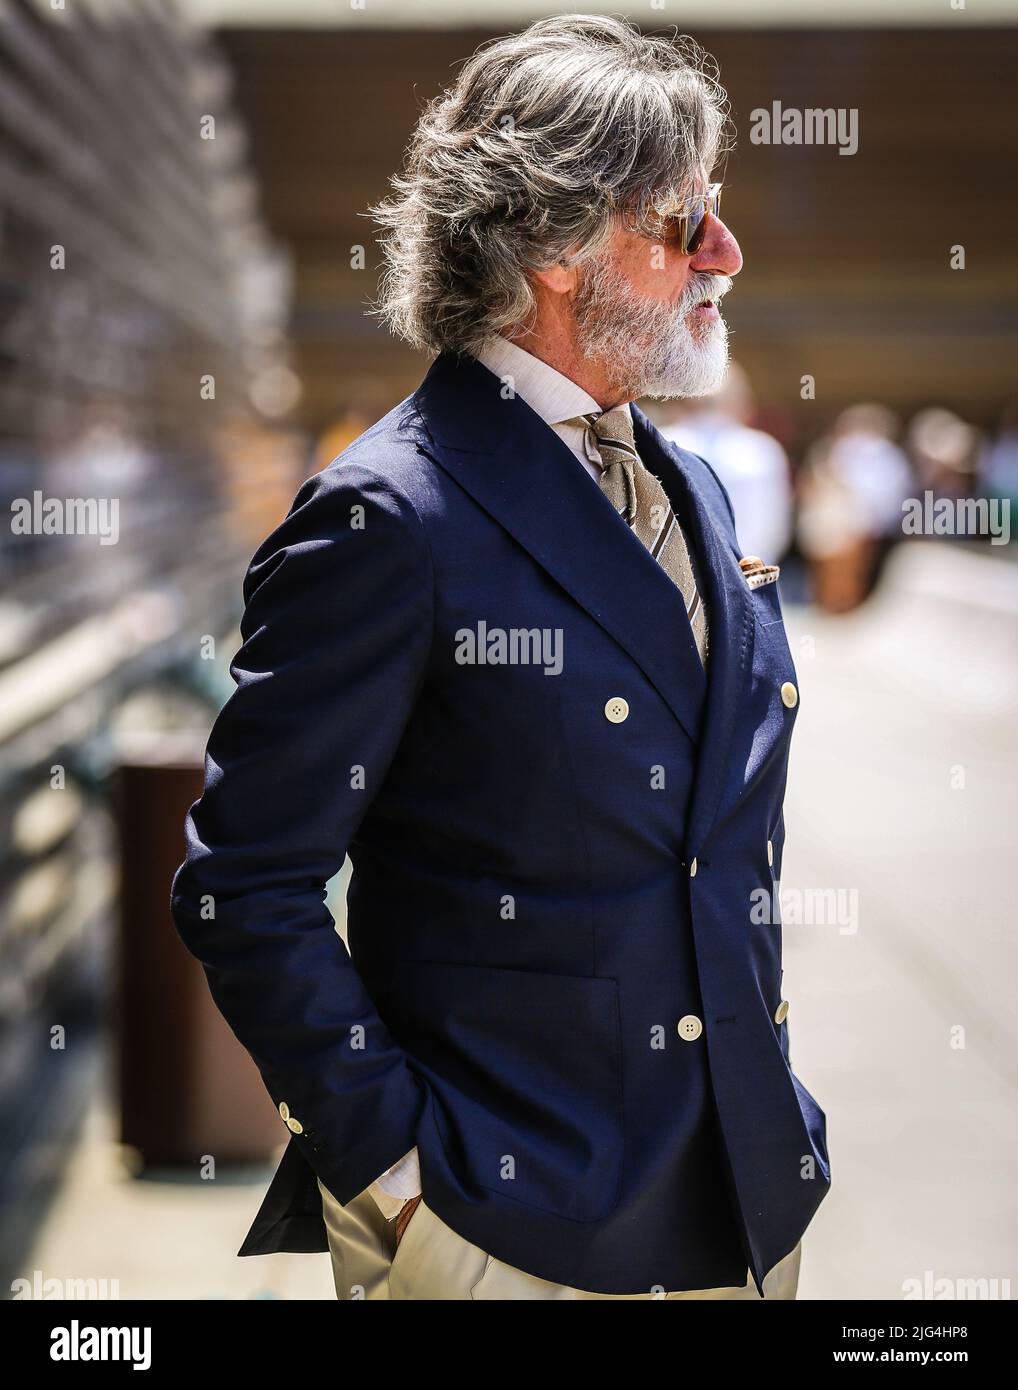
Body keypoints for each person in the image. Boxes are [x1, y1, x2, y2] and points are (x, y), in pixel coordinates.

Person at [170, 14, 829, 1301]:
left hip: (744, 1202)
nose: (727, 256)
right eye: (685, 220)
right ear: (557, 247)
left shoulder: (691, 484)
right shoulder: (386, 516)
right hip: (508, 1232)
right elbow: (243, 886)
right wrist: (399, 1177)